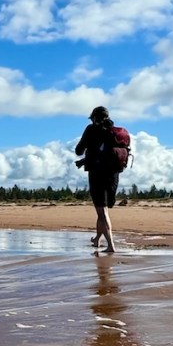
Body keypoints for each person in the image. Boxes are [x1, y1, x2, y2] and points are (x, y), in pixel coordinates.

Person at [74, 106, 120, 253]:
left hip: (97, 174)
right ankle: (97, 239)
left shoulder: (91, 129)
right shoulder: (114, 131)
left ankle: (111, 246)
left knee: (102, 211)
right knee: (102, 209)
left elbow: (79, 150)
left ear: (94, 118)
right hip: (113, 175)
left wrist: (85, 152)